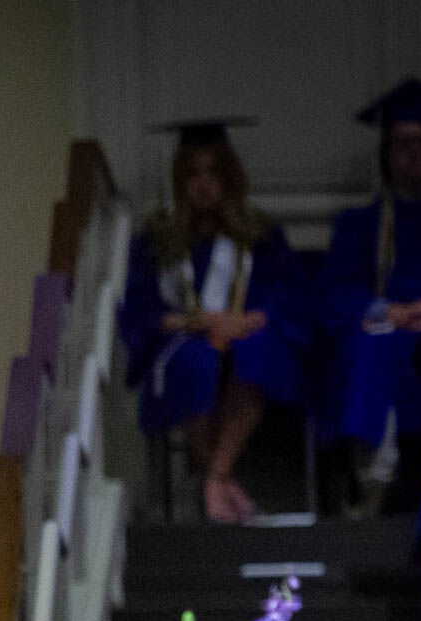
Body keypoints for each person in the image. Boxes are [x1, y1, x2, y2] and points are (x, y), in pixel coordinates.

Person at [119, 120, 307, 523]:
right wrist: (185, 323)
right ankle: (222, 482)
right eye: (192, 174)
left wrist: (245, 321)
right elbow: (140, 309)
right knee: (193, 362)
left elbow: (287, 295)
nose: (203, 184)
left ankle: (214, 478)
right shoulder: (157, 239)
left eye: (213, 172)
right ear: (179, 180)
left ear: (230, 176)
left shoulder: (260, 234)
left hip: (245, 334)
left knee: (255, 353)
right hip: (185, 338)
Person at [319, 77, 421, 514]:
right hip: (388, 333)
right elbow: (333, 296)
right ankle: (372, 480)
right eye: (401, 144)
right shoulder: (359, 225)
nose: (414, 153)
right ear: (386, 155)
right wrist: (391, 311)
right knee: (372, 346)